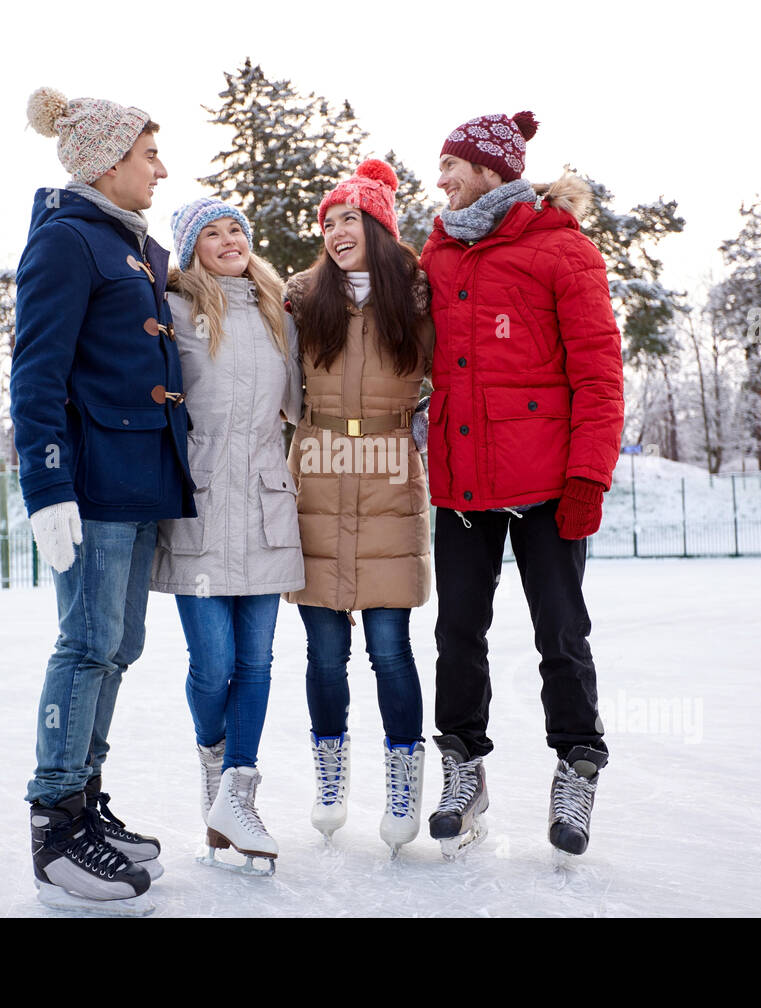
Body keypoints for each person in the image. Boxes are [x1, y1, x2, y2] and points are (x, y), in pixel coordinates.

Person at [420, 111, 625, 865]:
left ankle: (576, 766)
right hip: (463, 484)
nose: (439, 180)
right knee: (456, 636)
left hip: (549, 486)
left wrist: (587, 477)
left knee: (561, 636)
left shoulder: (561, 251)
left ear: (490, 169)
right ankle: (463, 773)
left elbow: (599, 371)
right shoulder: (438, 257)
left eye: (450, 166)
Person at [11, 87, 195, 912]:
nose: (161, 169)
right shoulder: (67, 243)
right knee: (85, 645)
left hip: (137, 480)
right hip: (87, 485)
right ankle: (54, 828)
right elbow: (37, 371)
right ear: (107, 162)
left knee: (117, 648)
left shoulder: (135, 249)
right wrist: (46, 484)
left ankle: (86, 801)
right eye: (149, 154)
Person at [283, 159, 435, 856]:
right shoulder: (303, 297)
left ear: (379, 225)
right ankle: (330, 773)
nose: (338, 231)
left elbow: (444, 384)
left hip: (387, 475)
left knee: (389, 647)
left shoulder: (421, 298)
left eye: (352, 218)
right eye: (329, 221)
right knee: (322, 651)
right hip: (315, 473)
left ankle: (404, 780)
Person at [149, 198, 304, 875]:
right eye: (210, 233)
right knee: (213, 664)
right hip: (203, 503)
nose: (227, 239)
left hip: (269, 502)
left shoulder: (280, 315)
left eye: (235, 228)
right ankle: (214, 767)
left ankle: (240, 790)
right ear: (191, 251)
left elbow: (306, 404)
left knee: (260, 661)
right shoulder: (175, 311)